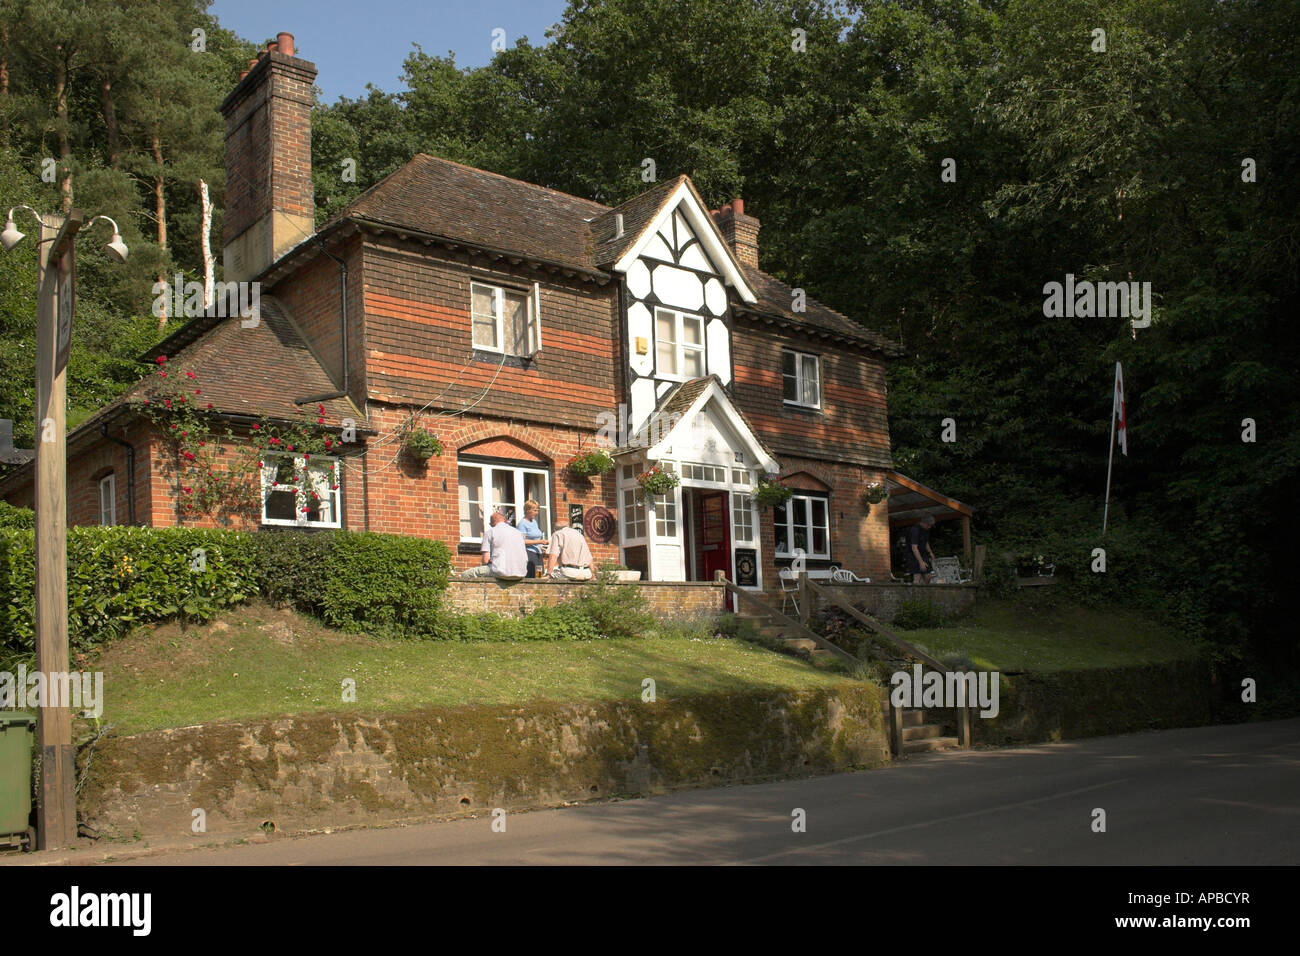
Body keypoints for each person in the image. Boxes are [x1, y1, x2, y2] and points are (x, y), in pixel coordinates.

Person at [461, 511, 528, 580]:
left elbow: (485, 560)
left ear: (491, 523)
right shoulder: (519, 533)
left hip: (500, 573)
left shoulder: (490, 532)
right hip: (521, 574)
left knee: (465, 575)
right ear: (505, 520)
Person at [546, 515, 597, 581]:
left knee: (550, 575)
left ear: (555, 529)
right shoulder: (579, 534)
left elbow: (553, 555)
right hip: (586, 573)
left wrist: (548, 574)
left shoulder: (557, 534)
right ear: (568, 527)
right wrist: (593, 576)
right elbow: (589, 557)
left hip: (569, 572)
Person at [516, 499, 546, 579]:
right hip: (529, 553)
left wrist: (540, 546)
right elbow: (522, 541)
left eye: (537, 510)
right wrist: (540, 541)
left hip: (538, 553)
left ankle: (538, 590)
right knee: (532, 576)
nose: (536, 513)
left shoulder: (534, 522)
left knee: (539, 575)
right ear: (527, 510)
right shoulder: (522, 524)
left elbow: (536, 537)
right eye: (534, 510)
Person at [907, 513, 937, 584]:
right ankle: (916, 592)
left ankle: (922, 591)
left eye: (931, 525)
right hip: (914, 555)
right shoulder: (915, 530)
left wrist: (930, 552)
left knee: (928, 576)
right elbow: (914, 547)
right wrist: (921, 562)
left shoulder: (926, 530)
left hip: (923, 554)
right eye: (928, 525)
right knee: (918, 576)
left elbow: (926, 542)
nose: (929, 527)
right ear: (923, 523)